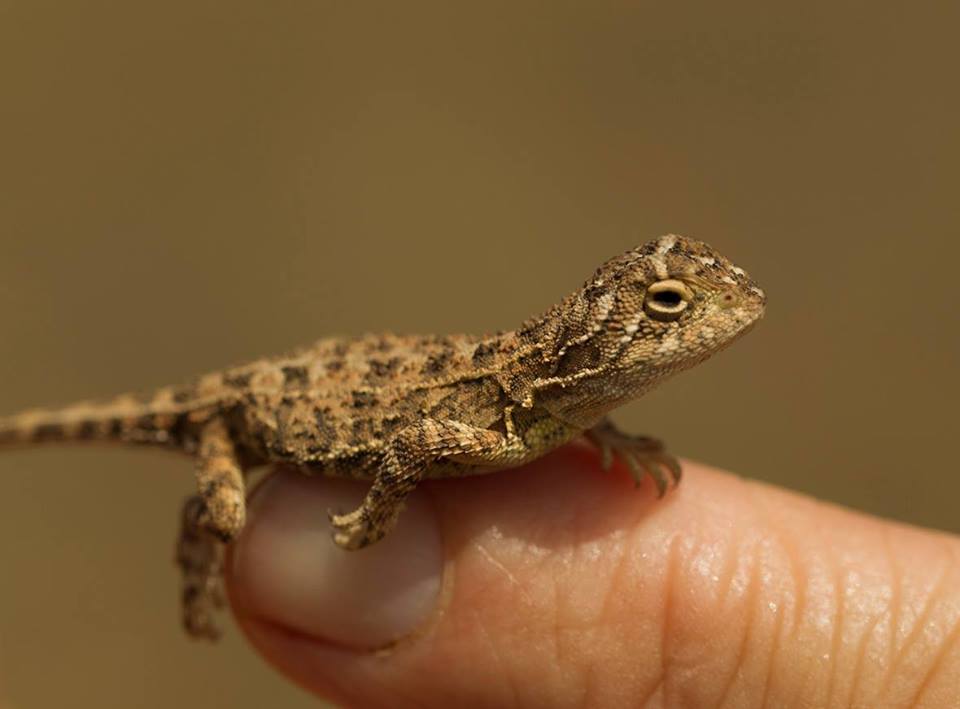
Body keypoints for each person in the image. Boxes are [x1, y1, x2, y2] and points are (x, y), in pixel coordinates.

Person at [226, 446, 960, 707]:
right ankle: (201, 553)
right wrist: (378, 520)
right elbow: (416, 443)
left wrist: (604, 434)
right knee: (228, 516)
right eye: (669, 307)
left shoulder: (556, 410)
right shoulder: (504, 420)